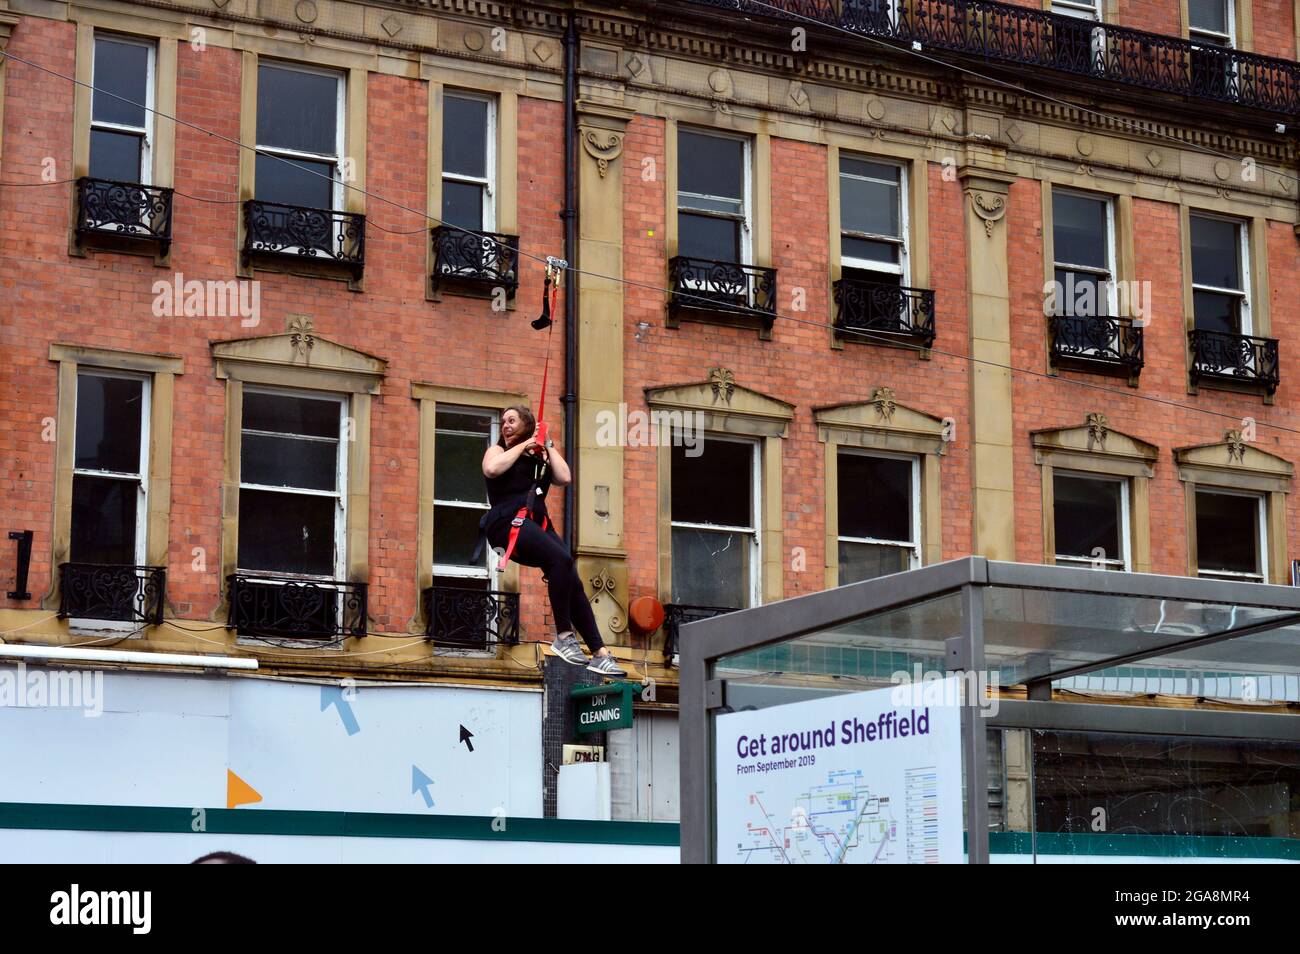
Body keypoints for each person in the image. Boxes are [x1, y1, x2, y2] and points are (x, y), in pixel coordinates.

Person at [478, 405, 625, 676]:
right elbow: (491, 469)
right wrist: (523, 448)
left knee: (570, 573)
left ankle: (599, 652)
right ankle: (564, 636)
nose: (506, 426)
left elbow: (565, 477)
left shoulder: (540, 456)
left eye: (512, 421)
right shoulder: (498, 451)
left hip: (536, 523)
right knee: (560, 558)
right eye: (504, 422)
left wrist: (547, 445)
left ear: (526, 425)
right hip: (507, 522)